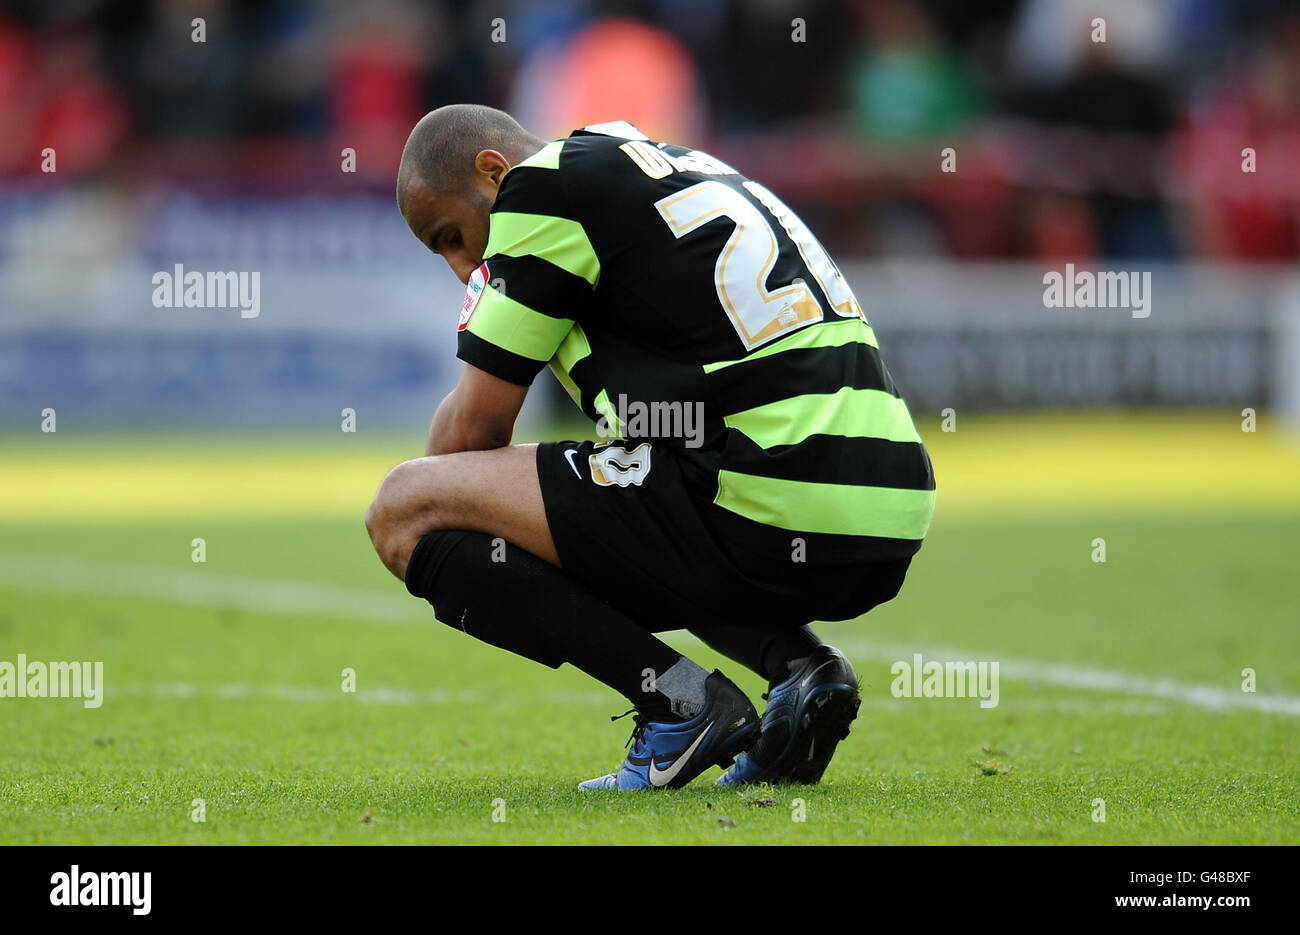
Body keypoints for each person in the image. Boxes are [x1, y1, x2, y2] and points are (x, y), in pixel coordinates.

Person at [365, 104, 935, 790]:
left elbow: (473, 434)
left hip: (770, 489)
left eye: (453, 235)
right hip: (887, 506)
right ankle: (800, 671)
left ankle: (679, 704)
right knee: (645, 484)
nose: (462, 267)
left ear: (493, 172)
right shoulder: (659, 163)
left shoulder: (539, 189)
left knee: (404, 510)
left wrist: (438, 489)